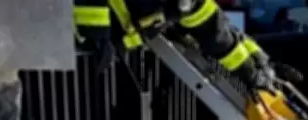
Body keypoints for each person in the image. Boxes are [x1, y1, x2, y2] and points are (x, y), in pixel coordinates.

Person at [72, 0, 277, 90]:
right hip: (69, 47)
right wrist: (96, 36)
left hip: (105, 58)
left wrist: (252, 69)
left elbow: (215, 33)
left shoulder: (190, 4)